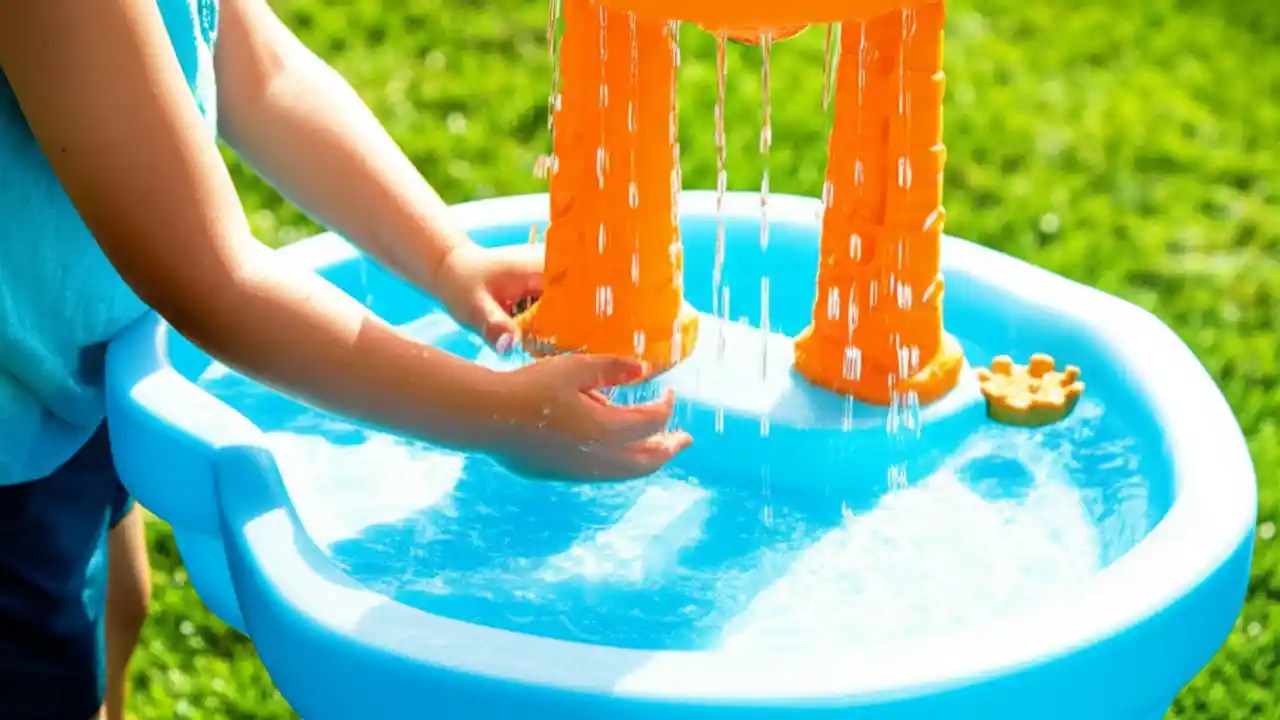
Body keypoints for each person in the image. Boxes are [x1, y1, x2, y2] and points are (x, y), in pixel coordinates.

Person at [0, 0, 694, 717]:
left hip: (66, 372)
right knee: (47, 676)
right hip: (11, 430)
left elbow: (264, 75)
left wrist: (446, 257)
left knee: (116, 609)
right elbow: (208, 279)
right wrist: (499, 415)